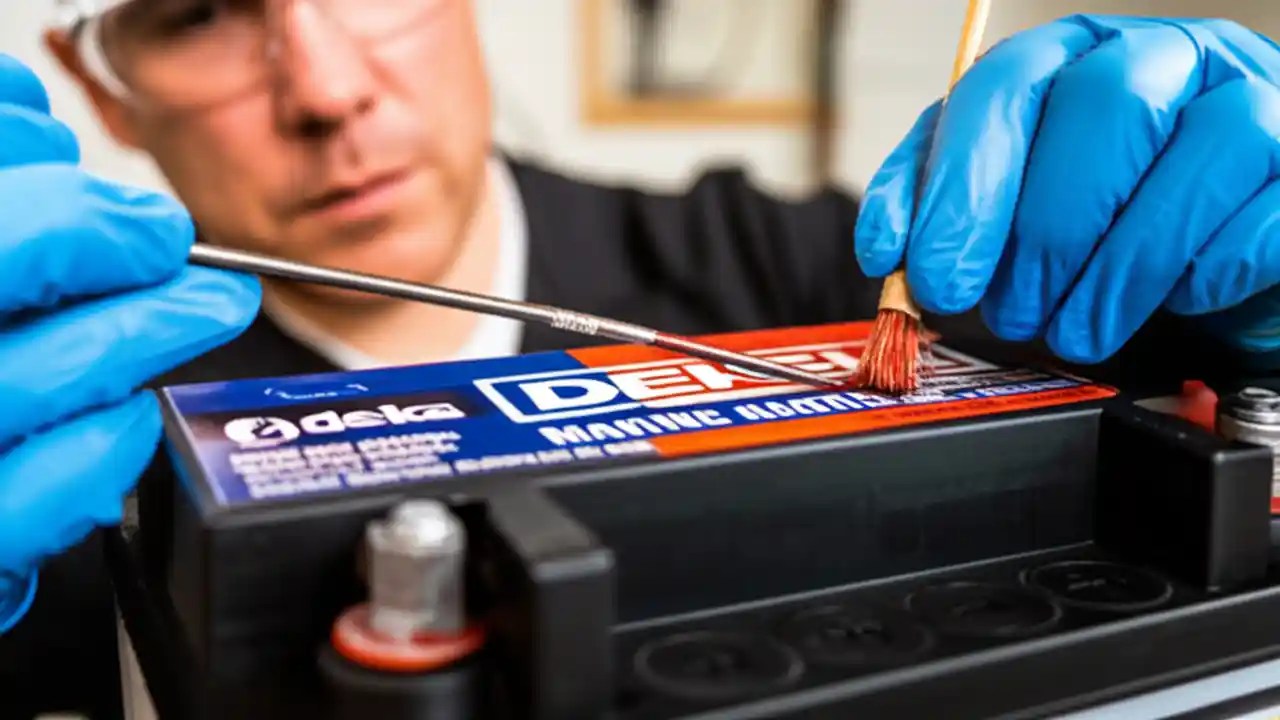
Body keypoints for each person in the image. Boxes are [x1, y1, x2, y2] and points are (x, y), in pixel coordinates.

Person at [2, 1, 1280, 711]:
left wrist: (1250, 317)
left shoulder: (768, 264)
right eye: (198, 13)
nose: (326, 89)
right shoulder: (56, 435)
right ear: (100, 85)